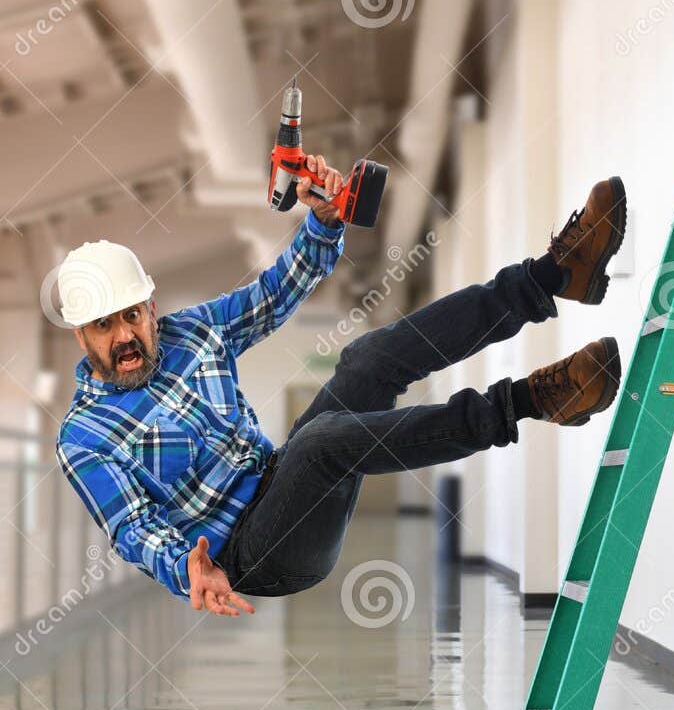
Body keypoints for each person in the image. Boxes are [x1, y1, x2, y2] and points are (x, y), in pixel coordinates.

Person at [54, 157, 627, 616]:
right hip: (254, 555)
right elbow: (131, 526)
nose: (124, 336)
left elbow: (273, 295)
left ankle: (554, 276)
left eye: (131, 316)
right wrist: (187, 569)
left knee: (368, 359)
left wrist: (324, 221)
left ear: (151, 307)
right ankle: (532, 400)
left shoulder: (192, 333)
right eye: (104, 326)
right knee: (321, 440)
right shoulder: (84, 437)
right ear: (81, 336)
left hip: (281, 481)